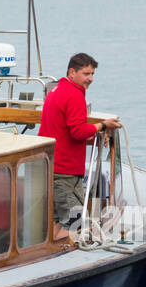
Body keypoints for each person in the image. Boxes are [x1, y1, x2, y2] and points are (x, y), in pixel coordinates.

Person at [38, 53, 121, 229]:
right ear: (72, 72)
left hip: (50, 167)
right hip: (64, 172)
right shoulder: (74, 95)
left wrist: (94, 133)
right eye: (86, 74)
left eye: (92, 74)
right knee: (75, 226)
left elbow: (64, 130)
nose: (90, 79)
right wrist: (102, 126)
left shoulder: (56, 91)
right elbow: (77, 131)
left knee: (55, 221)